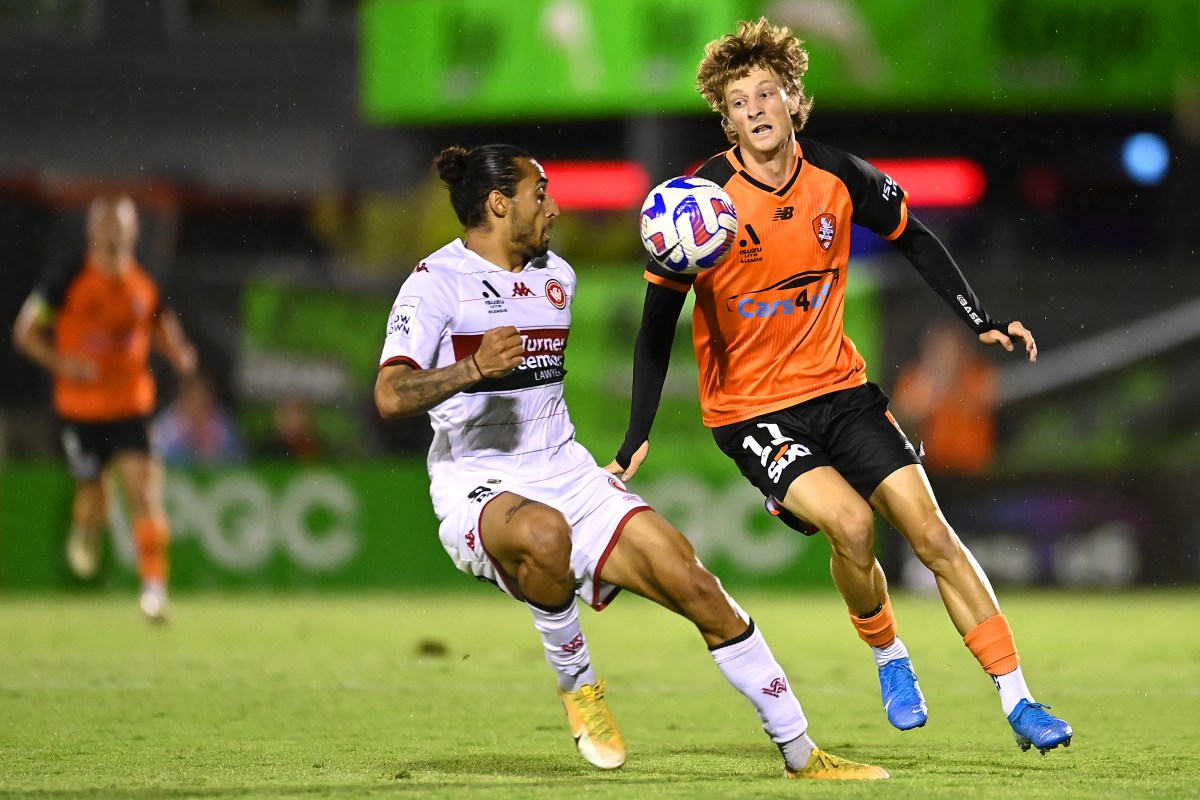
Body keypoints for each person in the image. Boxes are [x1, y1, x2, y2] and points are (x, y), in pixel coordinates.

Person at [609, 18, 1072, 755]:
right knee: (853, 528)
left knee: (932, 534)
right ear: (724, 119)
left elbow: (913, 235)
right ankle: (890, 656)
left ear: (796, 101)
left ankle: (1019, 700)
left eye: (768, 92)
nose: (756, 109)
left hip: (842, 391)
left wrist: (978, 318)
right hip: (753, 410)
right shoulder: (698, 203)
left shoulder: (838, 174)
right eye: (739, 101)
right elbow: (656, 322)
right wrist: (638, 430)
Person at [374, 143, 888, 780]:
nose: (554, 207)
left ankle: (802, 753)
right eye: (540, 194)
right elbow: (390, 394)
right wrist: (472, 368)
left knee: (697, 584)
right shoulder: (434, 283)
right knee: (543, 535)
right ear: (499, 204)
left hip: (568, 473)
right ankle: (580, 689)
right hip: (478, 483)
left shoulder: (557, 277)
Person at [12, 194, 197, 622]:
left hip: (131, 405)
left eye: (122, 226)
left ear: (133, 231)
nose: (114, 234)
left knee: (145, 492)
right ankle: (87, 522)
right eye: (106, 226)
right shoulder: (65, 280)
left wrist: (180, 352)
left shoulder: (144, 284)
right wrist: (63, 363)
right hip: (80, 410)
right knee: (95, 497)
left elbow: (161, 324)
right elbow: (25, 332)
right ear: (92, 232)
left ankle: (154, 589)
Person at [892, 322, 1000, 476]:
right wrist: (931, 385)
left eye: (951, 349)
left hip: (974, 468)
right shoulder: (916, 378)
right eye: (940, 350)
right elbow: (902, 415)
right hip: (930, 469)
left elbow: (987, 403)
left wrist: (953, 386)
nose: (947, 356)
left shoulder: (977, 375)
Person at [152, 373, 244, 467]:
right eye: (192, 399)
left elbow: (238, 457)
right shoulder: (166, 424)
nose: (197, 405)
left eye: (202, 400)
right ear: (183, 399)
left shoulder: (221, 422)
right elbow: (156, 455)